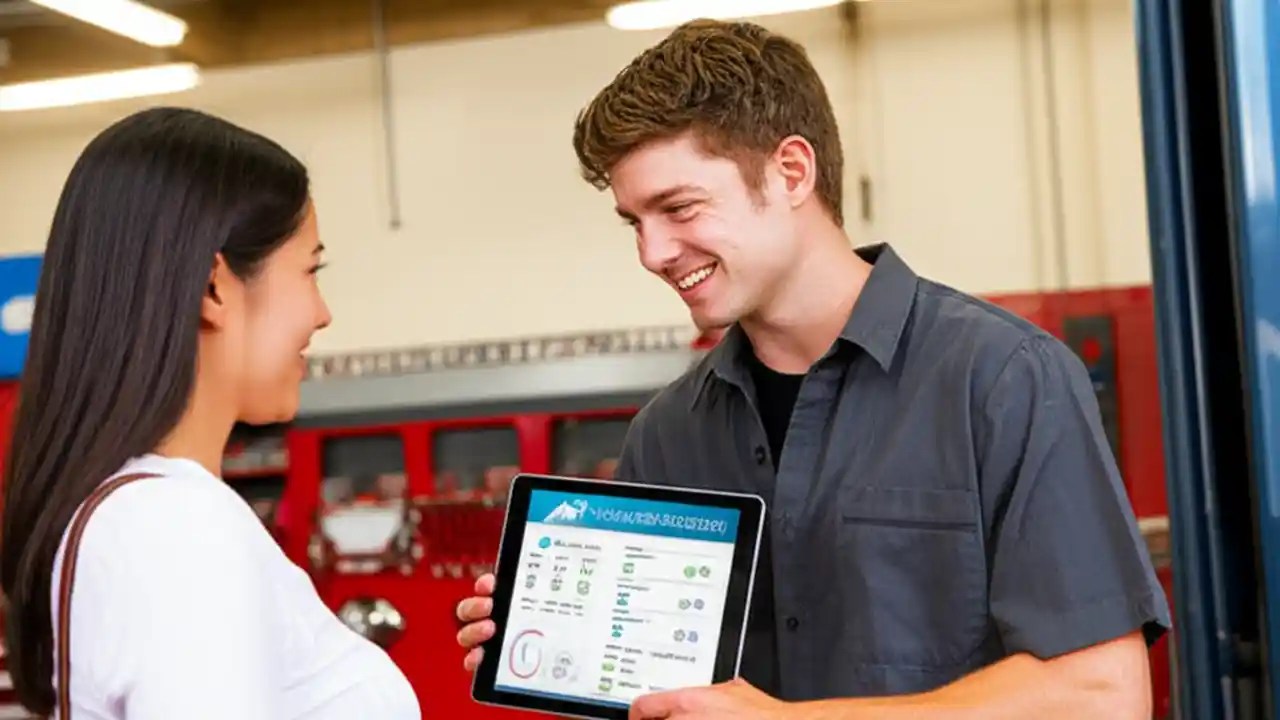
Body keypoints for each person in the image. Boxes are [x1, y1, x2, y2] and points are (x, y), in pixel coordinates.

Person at [456, 18, 1170, 719]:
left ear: (791, 171)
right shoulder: (668, 433)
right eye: (634, 222)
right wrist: (564, 641)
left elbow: (1101, 694)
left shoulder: (1003, 380)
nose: (653, 252)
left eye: (678, 208)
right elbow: (662, 692)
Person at [0, 108, 420, 719]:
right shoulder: (175, 523)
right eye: (310, 270)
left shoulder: (142, 514)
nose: (322, 312)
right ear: (212, 288)